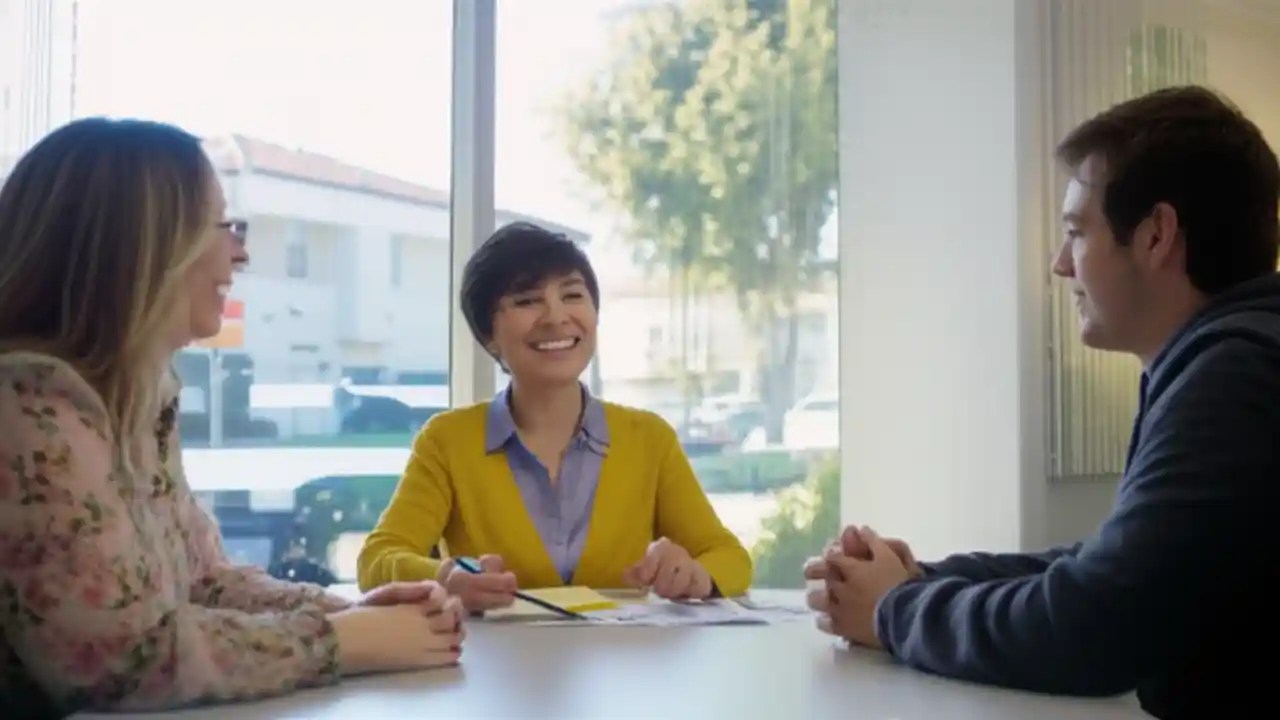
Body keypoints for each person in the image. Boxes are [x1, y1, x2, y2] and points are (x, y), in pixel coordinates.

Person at [804, 84, 1280, 718]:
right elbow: (1108, 566)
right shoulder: (1237, 357)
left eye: (1076, 232)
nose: (1060, 264)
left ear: (1156, 235)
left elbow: (1097, 623)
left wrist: (894, 610)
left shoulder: (1235, 376)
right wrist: (919, 579)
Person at [0, 118, 464, 718]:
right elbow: (122, 660)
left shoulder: (134, 400)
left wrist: (349, 612)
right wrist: (342, 640)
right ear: (143, 247)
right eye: (221, 227)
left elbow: (204, 580)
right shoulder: (27, 407)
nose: (239, 253)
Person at [358, 222, 752, 610]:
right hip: (493, 653)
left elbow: (729, 557)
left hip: (622, 653)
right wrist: (446, 576)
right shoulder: (448, 441)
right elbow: (377, 559)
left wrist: (694, 575)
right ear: (488, 335)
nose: (556, 317)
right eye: (527, 300)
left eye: (572, 295)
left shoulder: (649, 438)